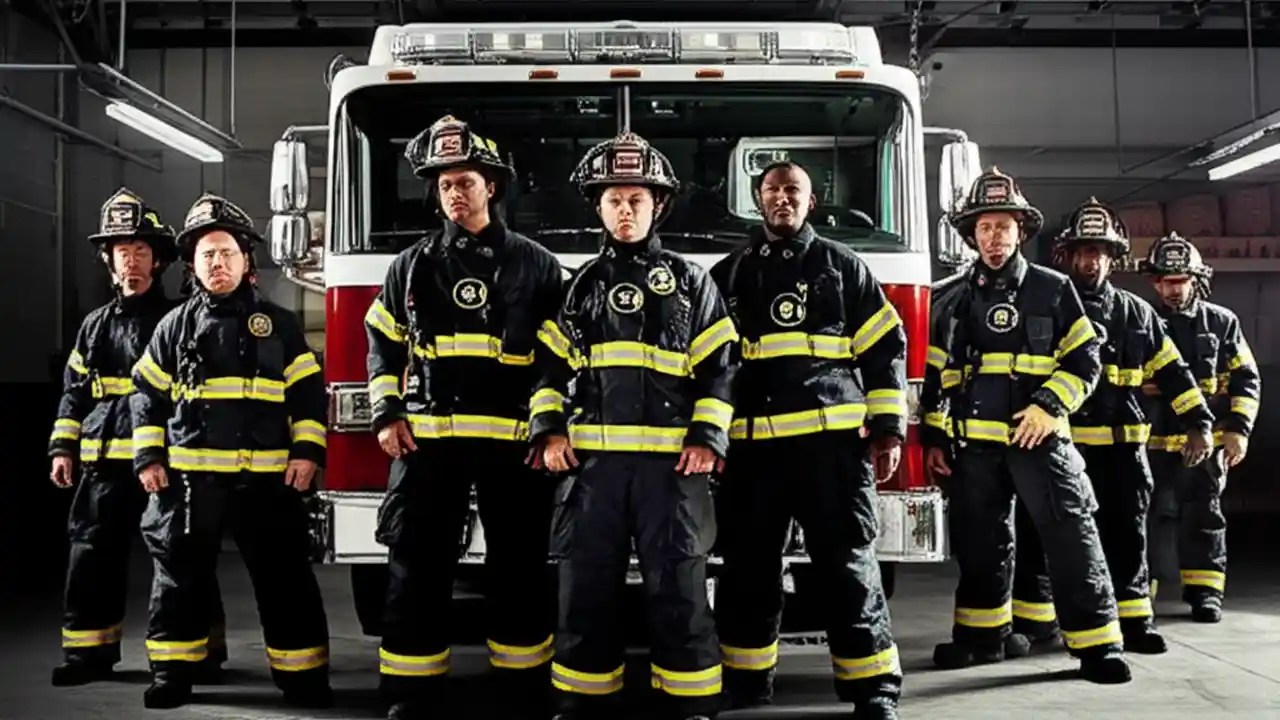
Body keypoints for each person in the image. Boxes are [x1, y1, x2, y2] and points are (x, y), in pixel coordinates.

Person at [529, 131, 738, 720]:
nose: (626, 210)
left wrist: (706, 438)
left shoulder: (694, 284)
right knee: (586, 588)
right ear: (597, 207)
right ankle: (582, 699)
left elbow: (721, 369)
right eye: (615, 200)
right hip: (592, 472)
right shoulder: (579, 288)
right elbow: (549, 370)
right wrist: (548, 432)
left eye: (637, 200)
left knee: (680, 588)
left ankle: (690, 702)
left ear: (658, 206)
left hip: (672, 472)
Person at [365, 115, 563, 720]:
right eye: (446, 184)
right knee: (417, 564)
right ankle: (410, 688)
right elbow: (382, 342)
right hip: (429, 446)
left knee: (520, 565)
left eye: (466, 182)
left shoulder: (536, 264)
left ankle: (523, 682)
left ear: (492, 187)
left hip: (512, 447)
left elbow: (557, 357)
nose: (455, 193)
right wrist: (386, 413)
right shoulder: (412, 266)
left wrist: (547, 426)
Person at [708, 161, 905, 720]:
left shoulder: (844, 268)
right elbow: (711, 366)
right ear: (758, 202)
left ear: (811, 201)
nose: (782, 199)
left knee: (846, 566)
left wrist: (888, 429)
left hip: (831, 453)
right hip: (752, 457)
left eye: (792, 190)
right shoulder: (730, 275)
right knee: (747, 569)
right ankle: (747, 681)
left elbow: (885, 350)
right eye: (772, 191)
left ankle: (874, 689)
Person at [921, 168, 1130, 684]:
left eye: (1004, 227)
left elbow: (1085, 361)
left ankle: (1097, 646)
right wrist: (934, 437)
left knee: (1071, 534)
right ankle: (980, 639)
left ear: (1021, 231)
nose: (994, 238)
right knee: (979, 545)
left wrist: (1048, 407)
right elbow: (935, 375)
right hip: (974, 451)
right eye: (984, 228)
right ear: (971, 235)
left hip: (1041, 442)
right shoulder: (951, 297)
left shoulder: (1054, 290)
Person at [130, 193, 331, 709]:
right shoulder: (172, 328)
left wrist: (307, 452)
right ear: (193, 267)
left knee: (284, 578)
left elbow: (308, 395)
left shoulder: (280, 325)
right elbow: (145, 399)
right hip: (190, 484)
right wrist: (149, 458)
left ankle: (302, 676)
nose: (217, 263)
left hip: (268, 483)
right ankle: (172, 674)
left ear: (246, 260)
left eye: (226, 253)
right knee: (178, 578)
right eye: (206, 255)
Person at [1009, 199, 1214, 655]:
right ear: (1066, 254)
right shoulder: (1046, 303)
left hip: (1122, 453)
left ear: (1114, 257)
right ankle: (1034, 621)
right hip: (1057, 452)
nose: (1091, 261)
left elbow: (1174, 372)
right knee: (1041, 535)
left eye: (1100, 252)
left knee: (1126, 535)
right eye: (1083, 251)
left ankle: (1133, 621)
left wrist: (1199, 423)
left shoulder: (1136, 313)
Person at [47, 189, 227, 686]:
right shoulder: (94, 327)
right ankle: (88, 655)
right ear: (109, 261)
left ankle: (198, 653)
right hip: (102, 466)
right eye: (122, 251)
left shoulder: (177, 322)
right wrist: (62, 448)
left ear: (161, 260)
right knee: (91, 554)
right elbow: (73, 394)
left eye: (141, 250)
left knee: (181, 558)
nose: (131, 260)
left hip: (164, 466)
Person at [1141, 232, 1261, 623]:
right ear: (1154, 282)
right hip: (1150, 444)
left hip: (1205, 447)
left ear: (1196, 280)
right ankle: (1140, 594)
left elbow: (1245, 378)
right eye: (1164, 281)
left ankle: (1205, 593)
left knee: (1204, 518)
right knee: (1145, 520)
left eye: (1179, 281)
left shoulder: (1222, 323)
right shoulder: (1140, 321)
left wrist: (1238, 430)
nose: (1172, 290)